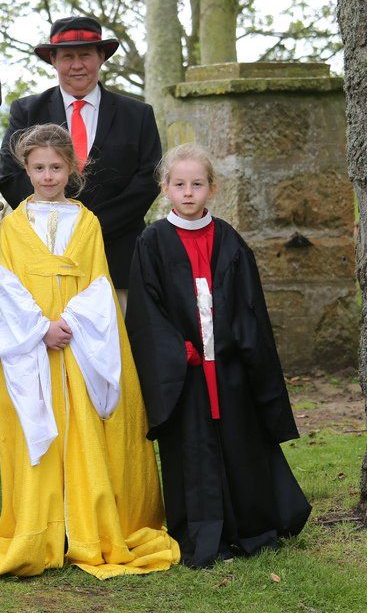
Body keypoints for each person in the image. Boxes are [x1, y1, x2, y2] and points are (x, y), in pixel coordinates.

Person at [0, 124, 179, 581]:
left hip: (78, 339)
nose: (48, 176)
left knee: (80, 427)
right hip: (35, 340)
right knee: (38, 426)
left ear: (72, 169)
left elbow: (98, 282)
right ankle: (41, 527)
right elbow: (6, 283)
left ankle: (84, 526)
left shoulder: (86, 221)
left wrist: (70, 325)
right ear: (25, 170)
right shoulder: (14, 223)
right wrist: (41, 328)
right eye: (39, 168)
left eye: (57, 167)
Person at [125, 143, 311, 568]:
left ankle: (250, 530)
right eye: (179, 184)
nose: (188, 192)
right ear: (164, 188)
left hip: (229, 368)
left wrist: (231, 347)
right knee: (193, 452)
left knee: (238, 445)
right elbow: (146, 313)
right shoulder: (152, 243)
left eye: (197, 184)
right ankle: (202, 538)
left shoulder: (228, 239)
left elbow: (250, 307)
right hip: (185, 371)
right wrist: (181, 351)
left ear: (212, 187)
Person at [0, 16, 161, 309]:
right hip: (44, 264)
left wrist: (89, 227)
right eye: (67, 57)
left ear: (101, 57)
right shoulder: (26, 111)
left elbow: (148, 180)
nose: (77, 65)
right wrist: (57, 226)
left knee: (115, 349)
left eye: (85, 55)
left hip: (116, 262)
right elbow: (10, 176)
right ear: (53, 61)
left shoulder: (137, 115)